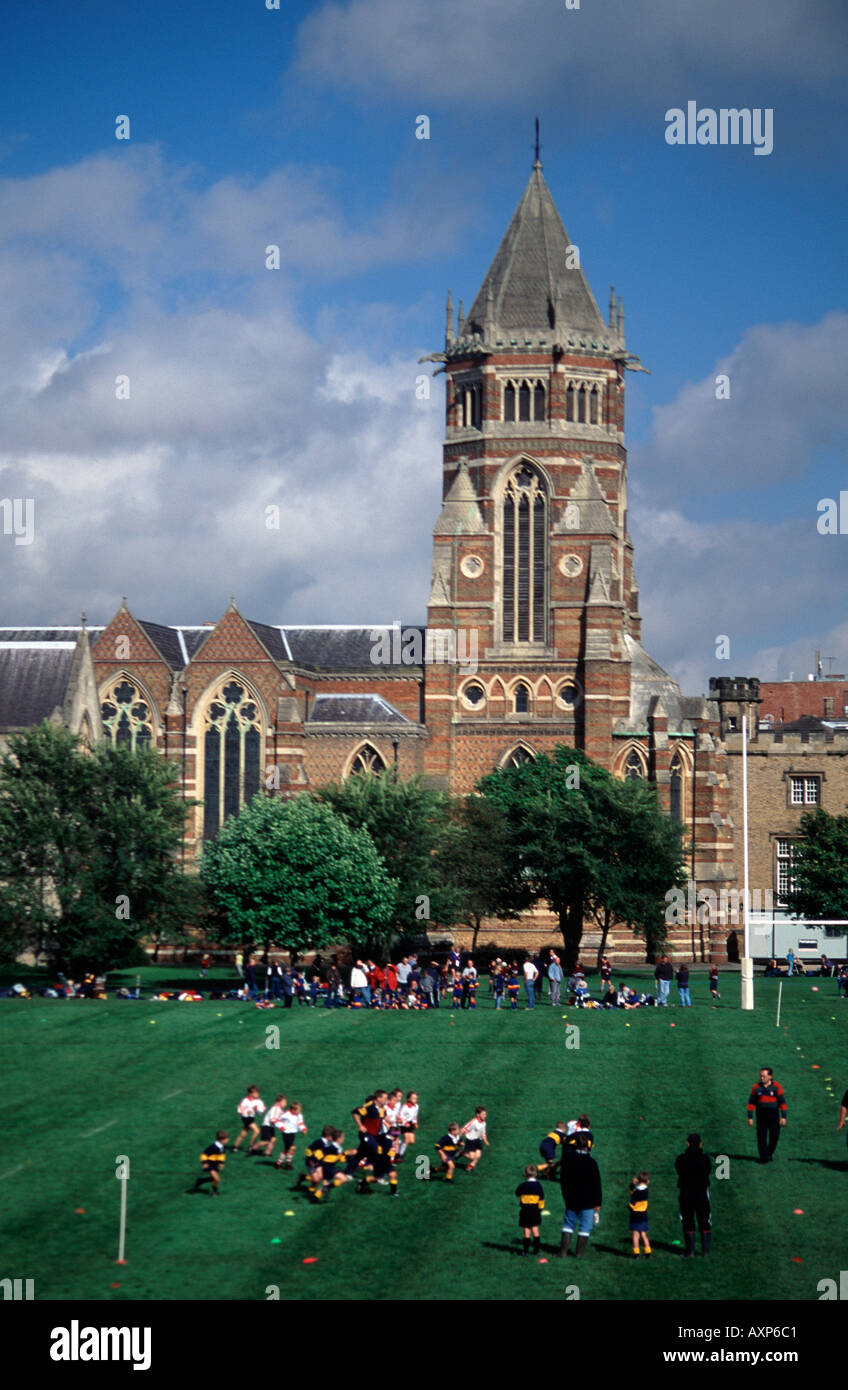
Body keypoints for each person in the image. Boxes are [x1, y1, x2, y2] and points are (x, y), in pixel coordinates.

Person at [558, 1133, 602, 1258]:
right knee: (585, 1226)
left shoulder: (568, 1160)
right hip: (588, 1200)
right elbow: (596, 1183)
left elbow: (563, 1180)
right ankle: (579, 1254)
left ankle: (563, 1252)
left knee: (568, 1224)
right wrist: (598, 1202)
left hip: (571, 1198)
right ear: (587, 1146)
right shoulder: (591, 1162)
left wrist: (566, 1196)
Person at [675, 1133, 711, 1257]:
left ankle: (690, 1251)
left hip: (686, 1192)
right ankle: (705, 1251)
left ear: (687, 1143)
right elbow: (708, 1171)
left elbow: (678, 1170)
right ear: (700, 1144)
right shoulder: (705, 1159)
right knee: (704, 1219)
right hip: (701, 1192)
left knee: (688, 1220)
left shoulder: (681, 1159)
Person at [747, 1066, 787, 1163]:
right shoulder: (756, 1087)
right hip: (761, 1116)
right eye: (761, 1076)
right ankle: (763, 1157)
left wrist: (784, 1116)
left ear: (770, 1077)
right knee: (761, 1137)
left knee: (775, 1136)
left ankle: (769, 1153)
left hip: (774, 1116)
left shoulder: (777, 1087)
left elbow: (782, 1102)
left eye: (764, 1076)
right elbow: (751, 1103)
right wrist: (750, 1117)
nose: (761, 1078)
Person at [516, 1164, 545, 1256]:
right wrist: (540, 1209)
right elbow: (542, 1198)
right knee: (535, 1230)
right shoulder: (538, 1186)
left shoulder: (523, 1185)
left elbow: (517, 1193)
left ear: (525, 1174)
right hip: (535, 1209)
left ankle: (525, 1251)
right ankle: (536, 1251)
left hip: (525, 1210)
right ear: (536, 1174)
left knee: (526, 1230)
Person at [191, 1130, 229, 1196]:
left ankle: (201, 1181)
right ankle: (215, 1192)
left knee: (215, 1179)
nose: (228, 1140)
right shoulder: (213, 1147)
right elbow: (204, 1154)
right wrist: (204, 1163)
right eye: (227, 1139)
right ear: (222, 1140)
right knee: (217, 1179)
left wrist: (221, 1163)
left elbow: (222, 1155)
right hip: (210, 1164)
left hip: (215, 1164)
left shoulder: (222, 1146)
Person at [252, 1092, 287, 1157]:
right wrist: (280, 1126)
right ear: (279, 1102)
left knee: (273, 1139)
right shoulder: (276, 1109)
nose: (285, 1104)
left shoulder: (280, 1109)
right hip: (266, 1126)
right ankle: (253, 1149)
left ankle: (267, 1153)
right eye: (284, 1102)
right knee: (265, 1142)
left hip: (270, 1126)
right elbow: (273, 1120)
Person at [274, 1101, 307, 1170]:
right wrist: (281, 1127)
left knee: (287, 1149)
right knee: (292, 1147)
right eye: (298, 1110)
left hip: (293, 1133)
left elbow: (300, 1123)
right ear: (293, 1109)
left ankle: (278, 1163)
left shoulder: (299, 1115)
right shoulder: (286, 1114)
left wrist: (303, 1128)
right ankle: (288, 1163)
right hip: (286, 1133)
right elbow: (277, 1120)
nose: (299, 1111)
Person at [628, 1171, 651, 1258]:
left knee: (635, 1235)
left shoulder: (636, 1192)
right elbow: (640, 1187)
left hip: (635, 1215)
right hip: (643, 1214)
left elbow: (632, 1202)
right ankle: (648, 1250)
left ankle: (636, 1253)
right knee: (643, 1234)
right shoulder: (646, 1190)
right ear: (647, 1181)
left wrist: (632, 1184)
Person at [460, 1107, 489, 1172]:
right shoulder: (474, 1122)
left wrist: (485, 1141)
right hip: (470, 1141)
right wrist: (458, 1139)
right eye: (484, 1114)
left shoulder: (484, 1123)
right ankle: (461, 1153)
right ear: (478, 1115)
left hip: (477, 1141)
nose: (485, 1116)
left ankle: (470, 1167)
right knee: (472, 1157)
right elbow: (464, 1129)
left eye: (485, 1114)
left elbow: (483, 1132)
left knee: (478, 1155)